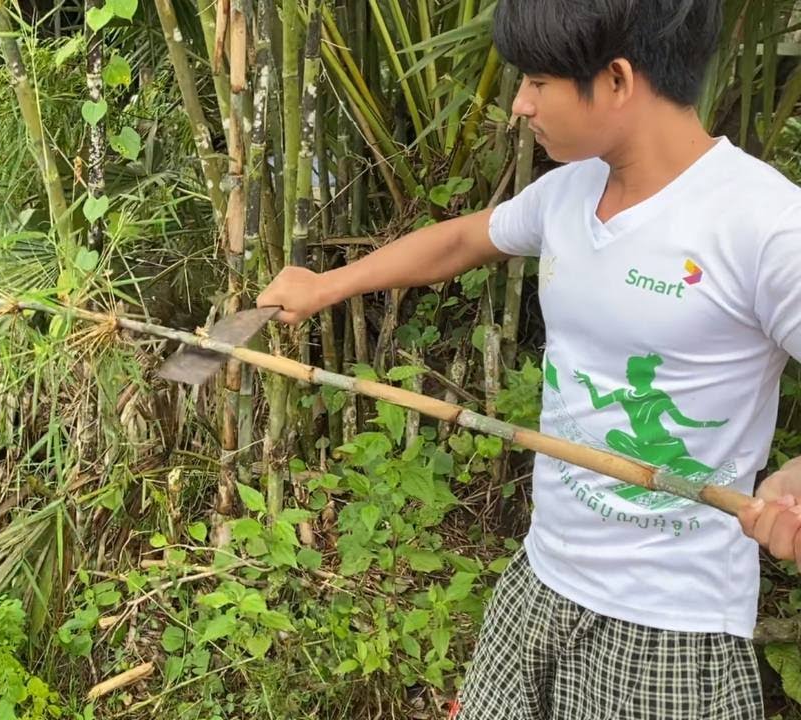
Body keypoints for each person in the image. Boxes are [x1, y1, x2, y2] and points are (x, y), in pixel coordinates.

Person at [255, 0, 801, 717]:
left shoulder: (763, 225)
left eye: (538, 81)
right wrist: (326, 284)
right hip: (542, 581)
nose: (520, 105)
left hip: (672, 624)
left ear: (615, 80)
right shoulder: (570, 192)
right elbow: (461, 241)